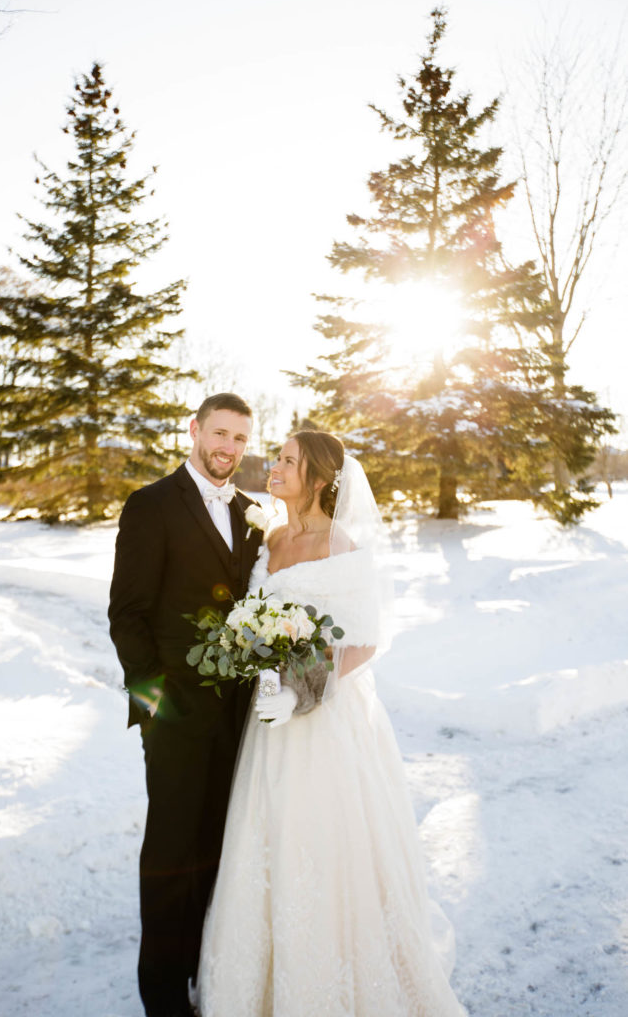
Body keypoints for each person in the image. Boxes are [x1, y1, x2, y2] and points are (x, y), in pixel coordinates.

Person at [195, 430, 467, 1017]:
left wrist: (301, 695)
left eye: (288, 461)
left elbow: (364, 641)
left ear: (317, 479)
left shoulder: (339, 545)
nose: (274, 466)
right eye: (276, 458)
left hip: (326, 722)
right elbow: (256, 623)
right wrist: (262, 671)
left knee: (321, 843)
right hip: (269, 725)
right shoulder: (269, 538)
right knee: (267, 838)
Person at [108, 392, 263, 1017]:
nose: (228, 448)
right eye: (220, 434)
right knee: (171, 853)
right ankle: (164, 996)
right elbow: (128, 615)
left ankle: (206, 972)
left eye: (240, 440)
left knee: (216, 850)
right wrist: (152, 708)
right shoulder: (150, 505)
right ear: (195, 430)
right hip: (172, 717)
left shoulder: (254, 512)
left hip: (238, 717)